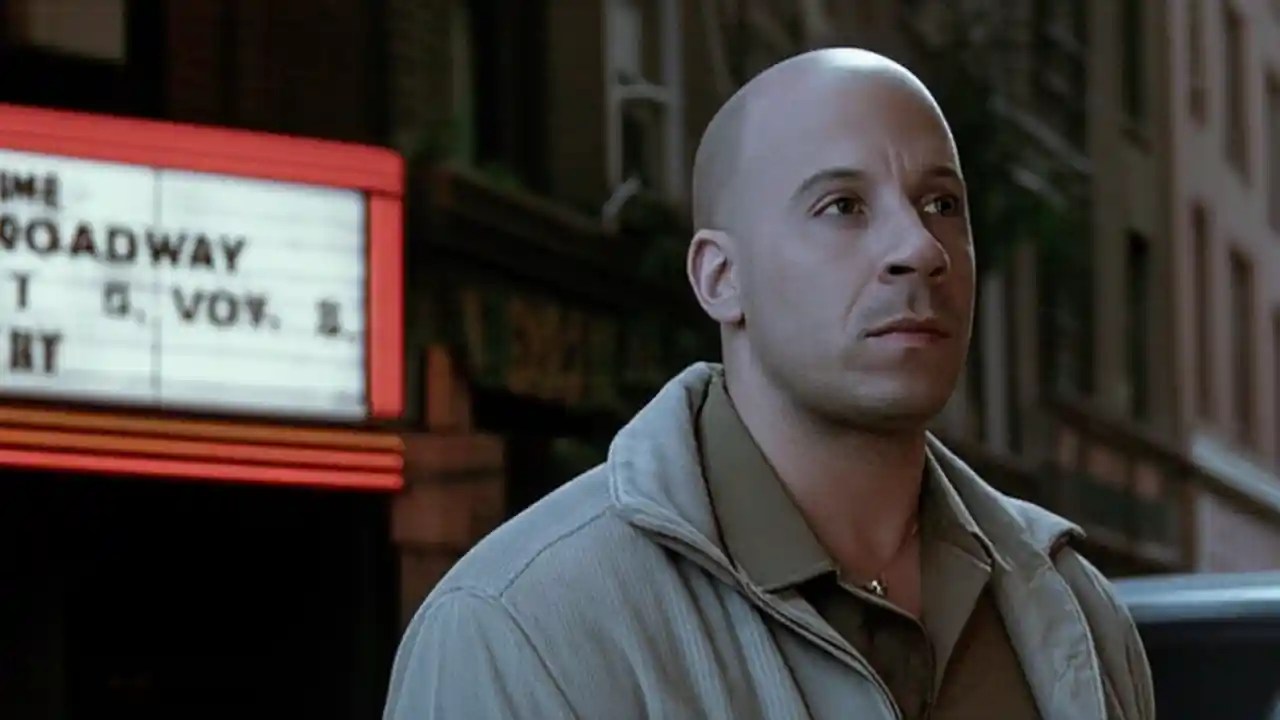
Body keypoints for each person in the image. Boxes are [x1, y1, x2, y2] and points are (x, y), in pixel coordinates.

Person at [383, 48, 1155, 720]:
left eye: (941, 204)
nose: (921, 248)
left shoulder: (1073, 610)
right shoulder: (521, 628)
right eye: (843, 206)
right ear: (721, 277)